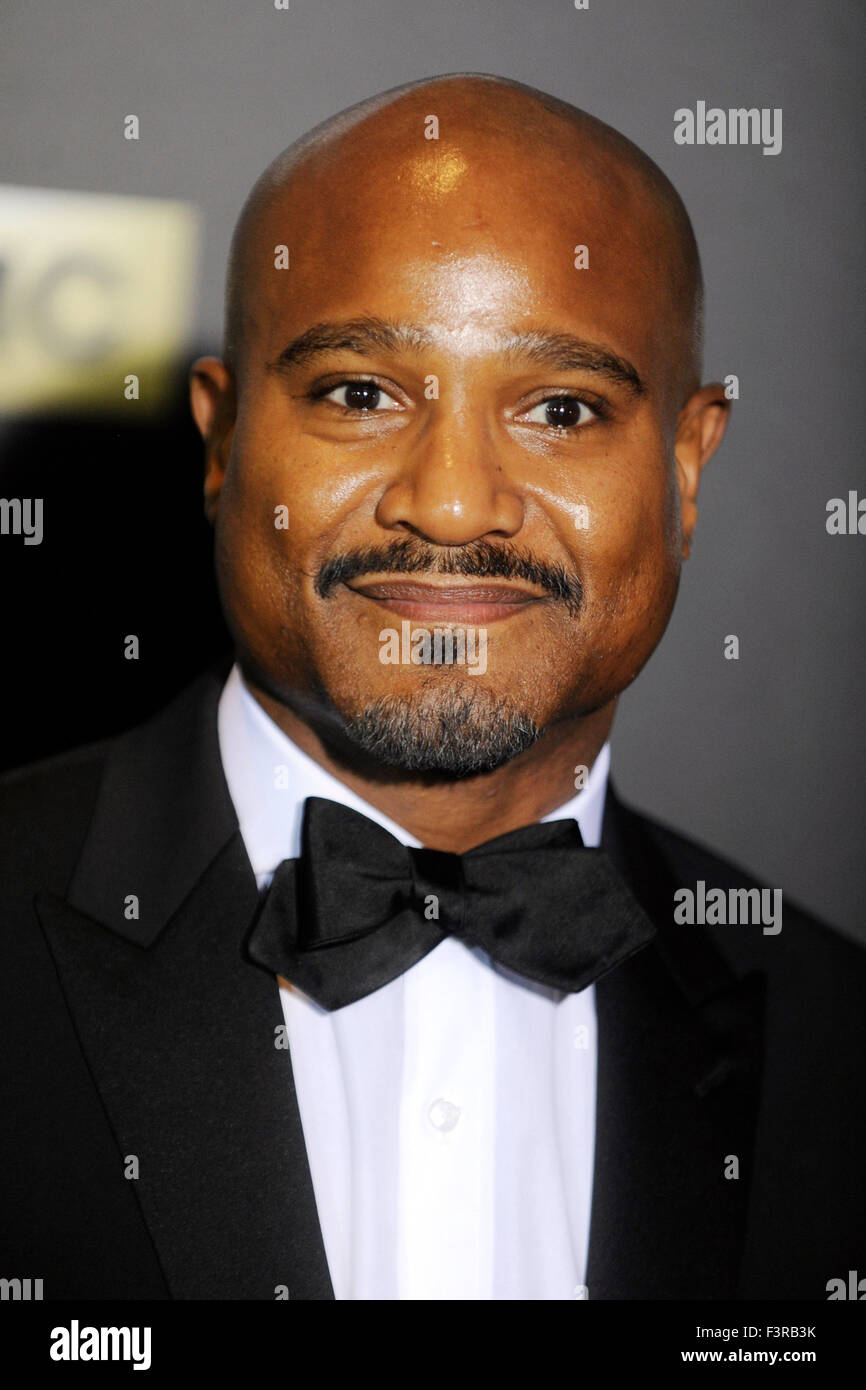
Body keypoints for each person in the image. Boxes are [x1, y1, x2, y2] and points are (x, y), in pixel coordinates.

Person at [1, 73, 863, 1302]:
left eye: (561, 408)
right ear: (222, 438)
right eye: (359, 394)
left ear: (684, 468)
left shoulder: (838, 1042)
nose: (453, 502)